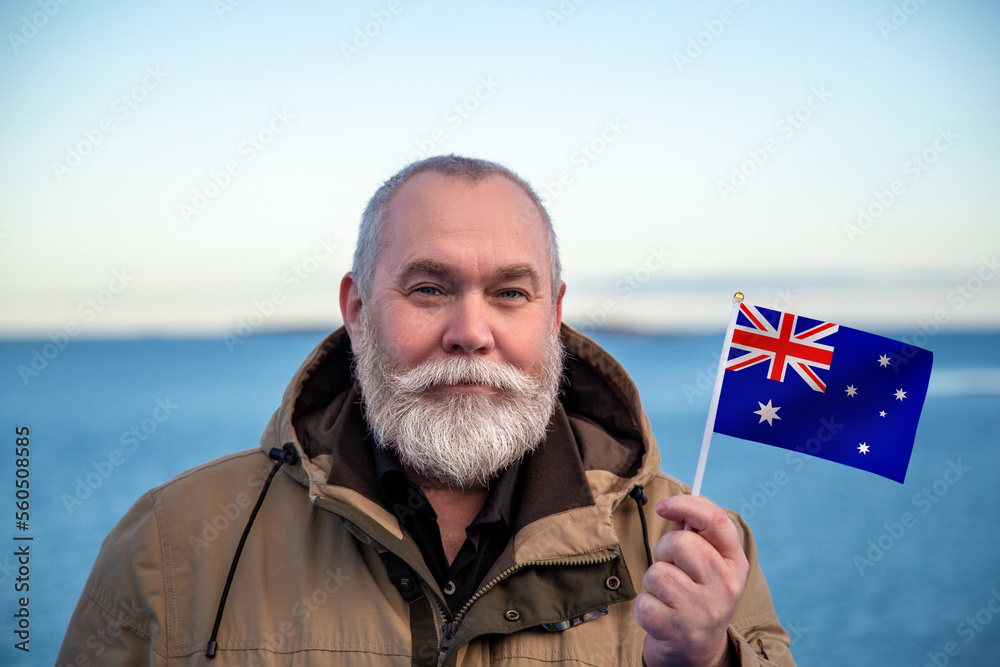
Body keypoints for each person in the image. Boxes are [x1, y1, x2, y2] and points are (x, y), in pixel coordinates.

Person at [58, 155, 795, 666]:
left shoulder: (695, 554)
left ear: (554, 313)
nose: (471, 331)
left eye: (511, 293)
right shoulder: (175, 541)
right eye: (430, 289)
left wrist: (708, 660)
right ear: (356, 309)